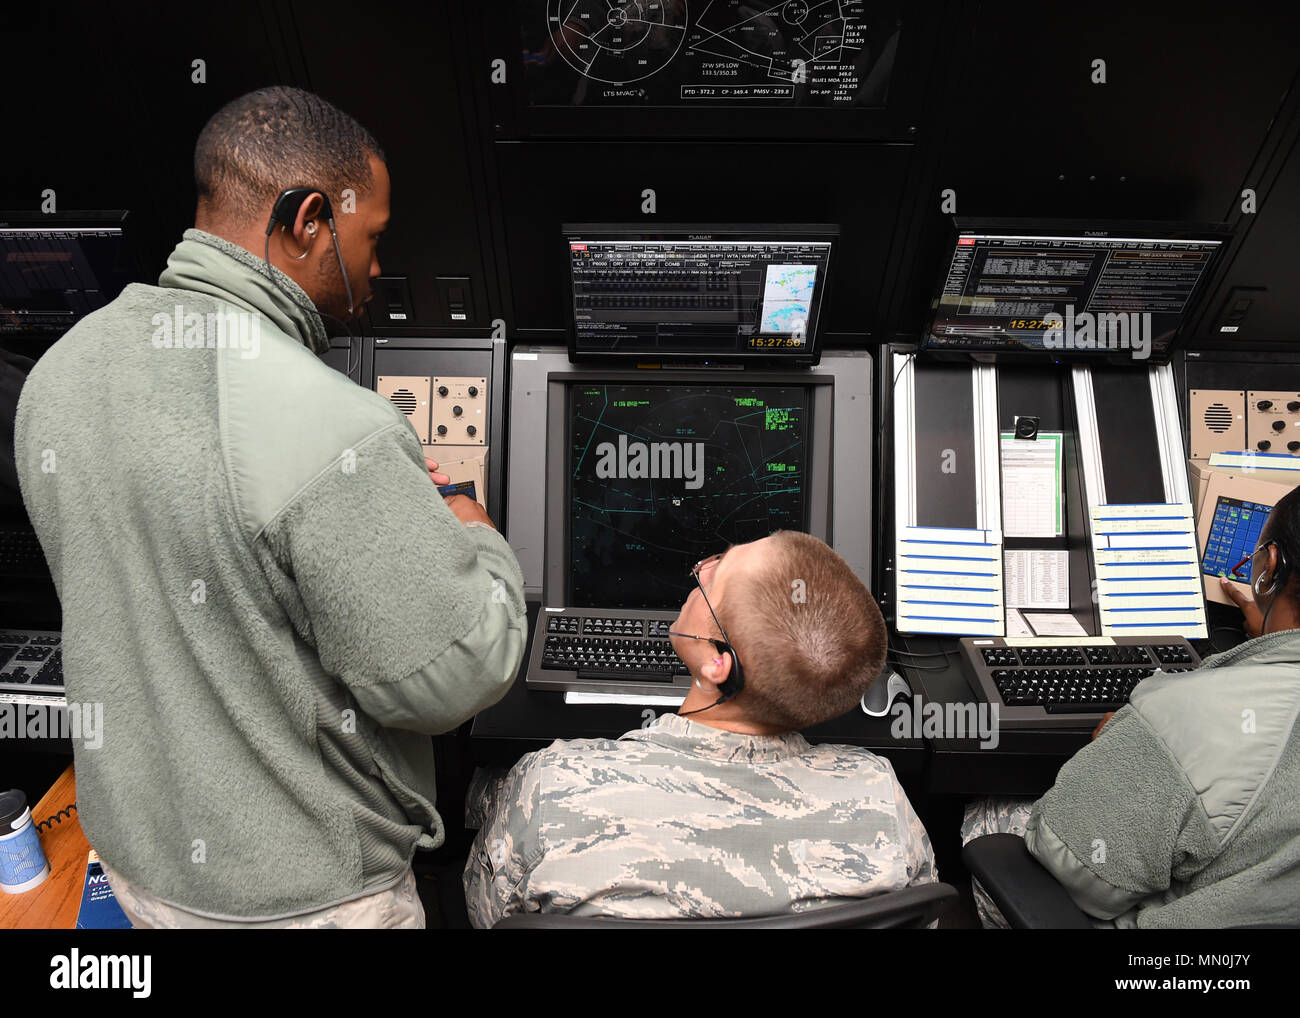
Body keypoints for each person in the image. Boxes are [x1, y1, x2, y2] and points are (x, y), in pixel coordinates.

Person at [14, 87, 526, 928]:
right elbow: (450, 678)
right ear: (308, 219)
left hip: (142, 867)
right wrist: (478, 540)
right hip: (307, 899)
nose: (376, 270)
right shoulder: (333, 425)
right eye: (372, 240)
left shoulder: (62, 373)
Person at [463, 531, 936, 926]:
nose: (702, 570)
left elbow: (488, 912)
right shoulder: (881, 799)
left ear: (718, 664)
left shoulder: (551, 785)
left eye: (716, 574)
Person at [963, 484, 1300, 928]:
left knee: (986, 815)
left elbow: (1077, 871)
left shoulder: (1186, 719)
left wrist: (1129, 751)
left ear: (1268, 566)